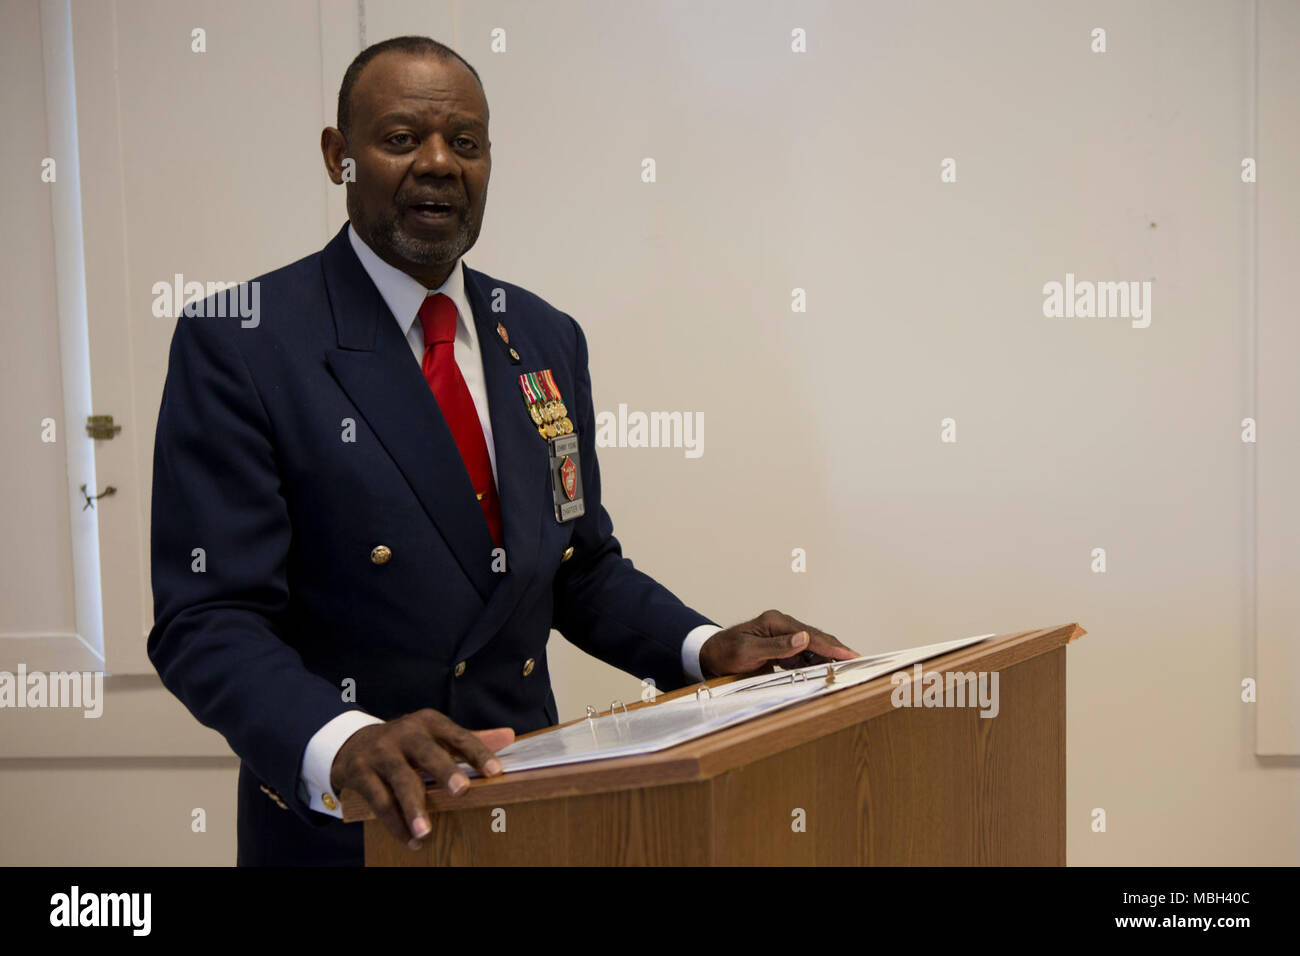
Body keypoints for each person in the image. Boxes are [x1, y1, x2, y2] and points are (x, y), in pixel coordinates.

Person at [148, 35, 856, 866]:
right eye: (402, 138)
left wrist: (703, 649)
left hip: (526, 805)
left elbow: (577, 569)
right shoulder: (244, 341)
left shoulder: (544, 336)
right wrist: (340, 740)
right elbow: (209, 619)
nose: (439, 163)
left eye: (466, 142)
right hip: (355, 827)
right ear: (339, 156)